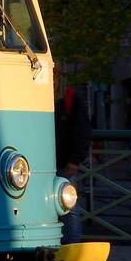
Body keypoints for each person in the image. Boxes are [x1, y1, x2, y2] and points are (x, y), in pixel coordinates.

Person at [55, 64, 93, 245]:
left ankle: (71, 243)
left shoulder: (71, 99)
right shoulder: (69, 98)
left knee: (68, 206)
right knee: (67, 204)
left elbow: (82, 132)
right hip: (59, 160)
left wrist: (74, 160)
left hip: (63, 162)